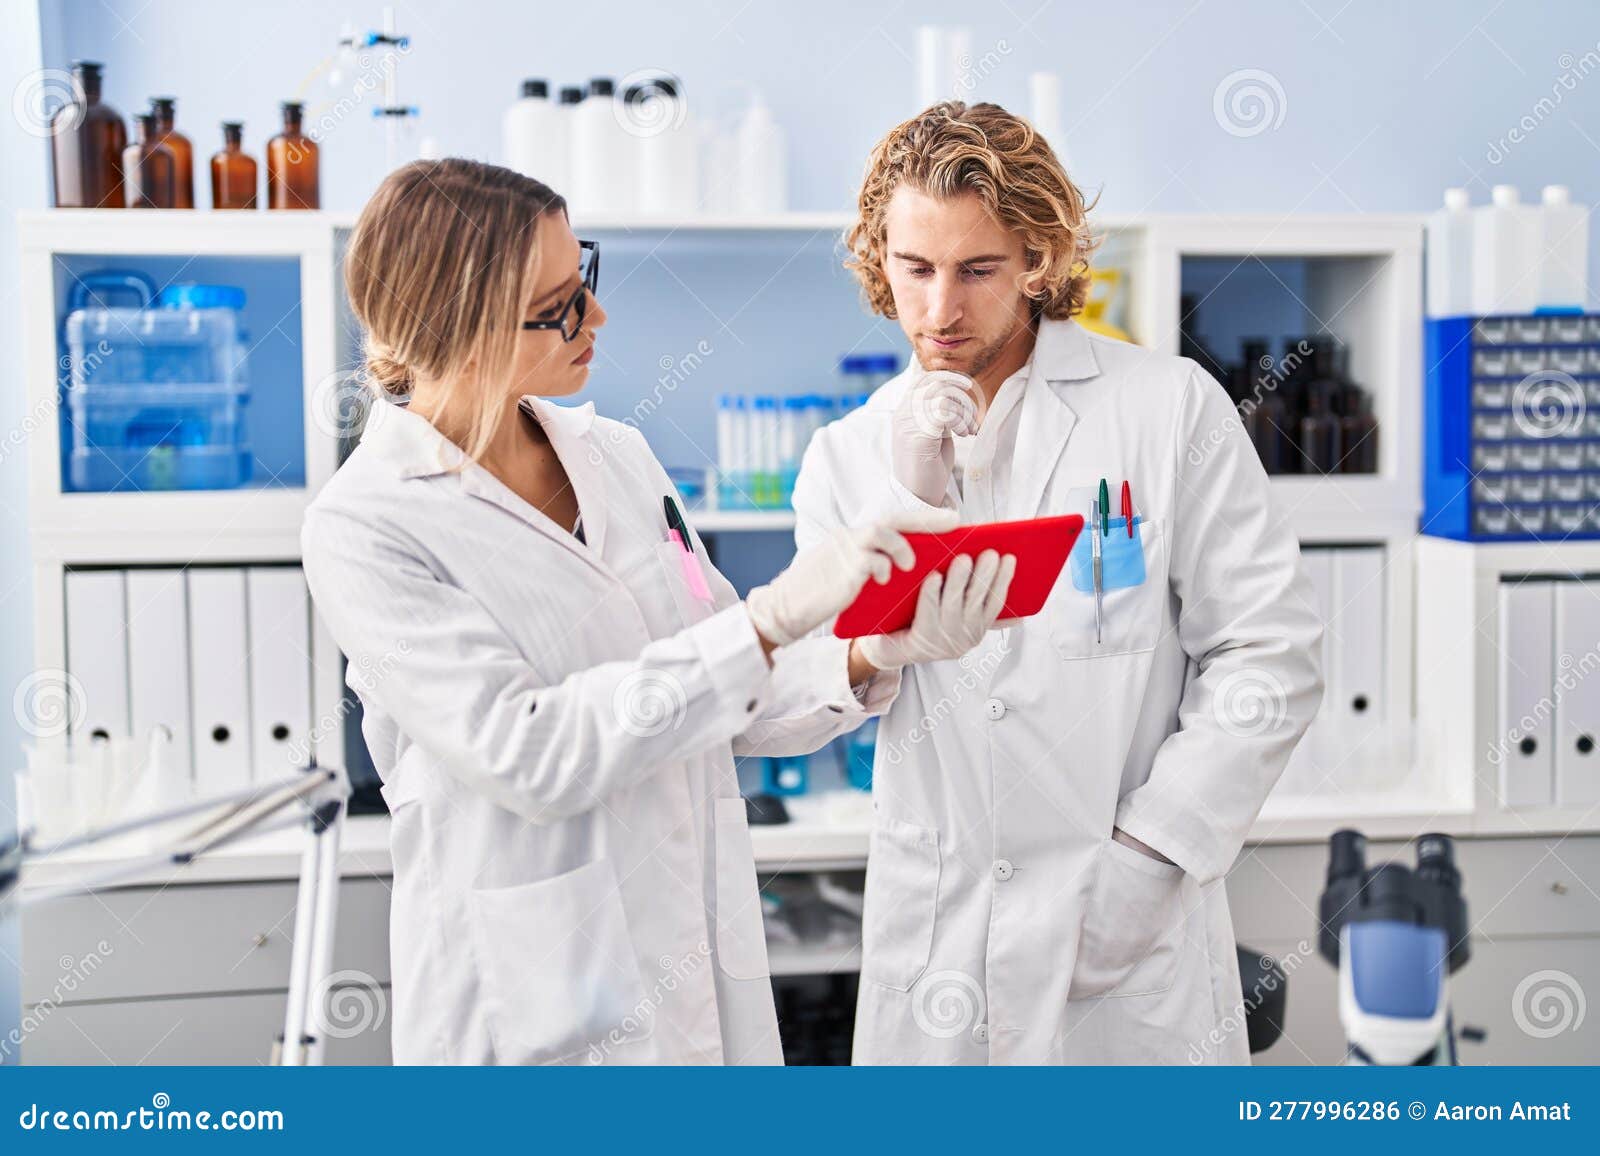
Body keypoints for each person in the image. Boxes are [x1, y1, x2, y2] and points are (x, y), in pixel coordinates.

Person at [300, 158, 1016, 1064]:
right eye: (558, 305)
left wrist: (870, 650)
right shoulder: (367, 525)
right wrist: (768, 618)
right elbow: (529, 753)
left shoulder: (616, 456)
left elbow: (727, 693)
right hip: (538, 998)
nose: (595, 318)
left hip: (696, 961)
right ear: (461, 331)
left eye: (584, 278)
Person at [792, 103, 1325, 1064]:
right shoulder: (850, 456)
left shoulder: (1166, 409)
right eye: (915, 270)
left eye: (977, 270)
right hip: (938, 943)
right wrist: (895, 560)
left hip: (1124, 941)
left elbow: (1269, 654)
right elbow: (792, 701)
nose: (939, 311)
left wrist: (1153, 857)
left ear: (1040, 257)